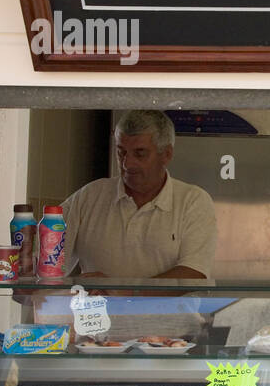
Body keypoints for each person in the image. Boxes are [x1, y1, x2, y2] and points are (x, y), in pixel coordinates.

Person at [62, 110, 217, 279]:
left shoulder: (192, 201)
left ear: (166, 154)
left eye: (140, 153)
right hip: (99, 307)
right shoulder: (88, 197)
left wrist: (121, 292)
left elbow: (193, 273)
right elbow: (48, 265)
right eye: (121, 152)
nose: (127, 163)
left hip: (166, 307)